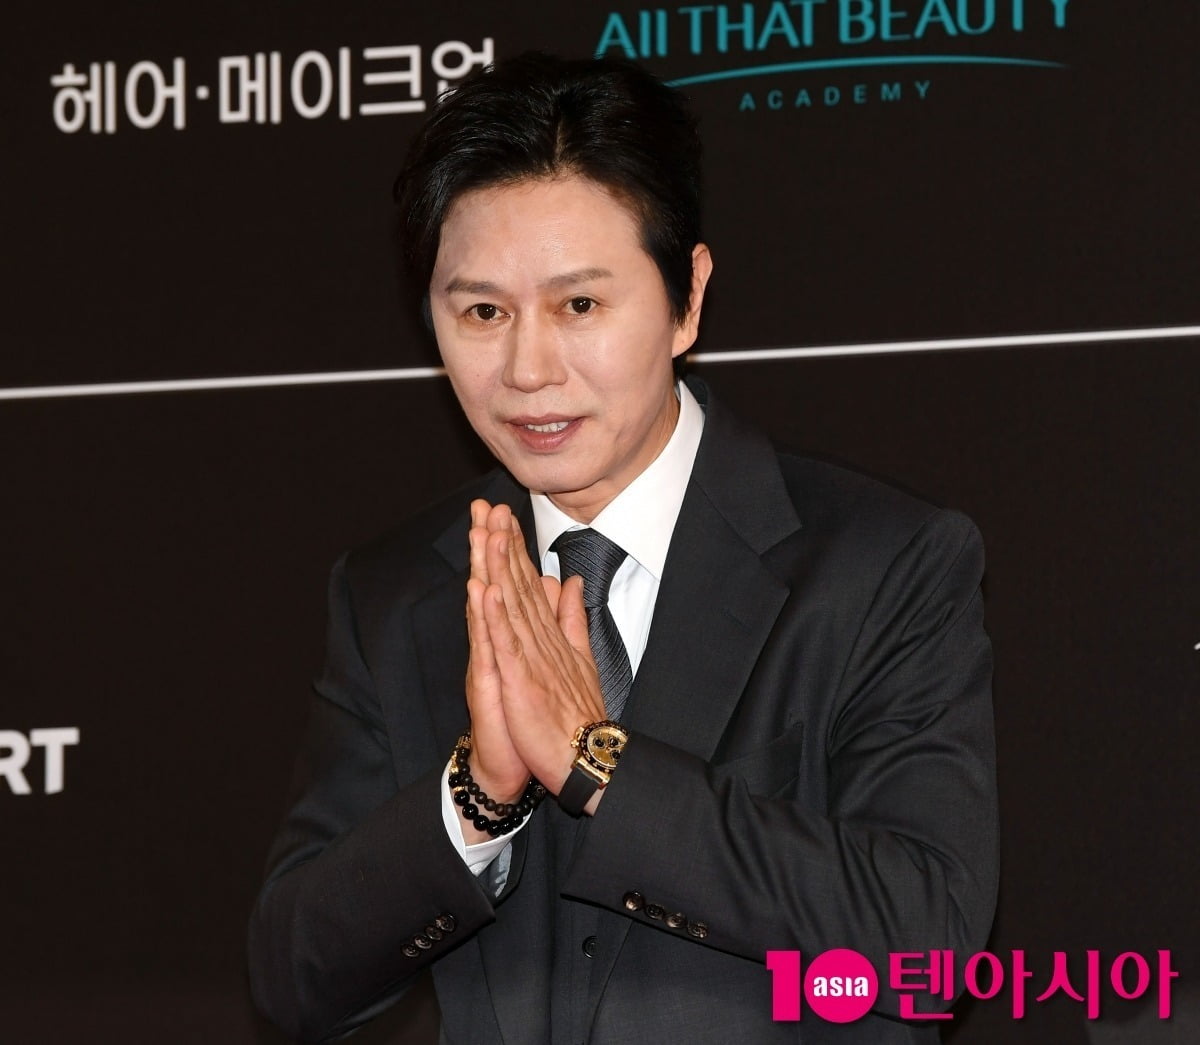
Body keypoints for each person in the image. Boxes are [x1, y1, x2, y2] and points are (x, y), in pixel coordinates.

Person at [248, 52, 998, 1044]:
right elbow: (294, 976)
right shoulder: (398, 593)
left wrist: (596, 763)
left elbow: (929, 946)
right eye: (482, 312)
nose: (527, 368)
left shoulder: (880, 564)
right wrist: (475, 798)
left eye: (579, 306)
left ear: (687, 300)